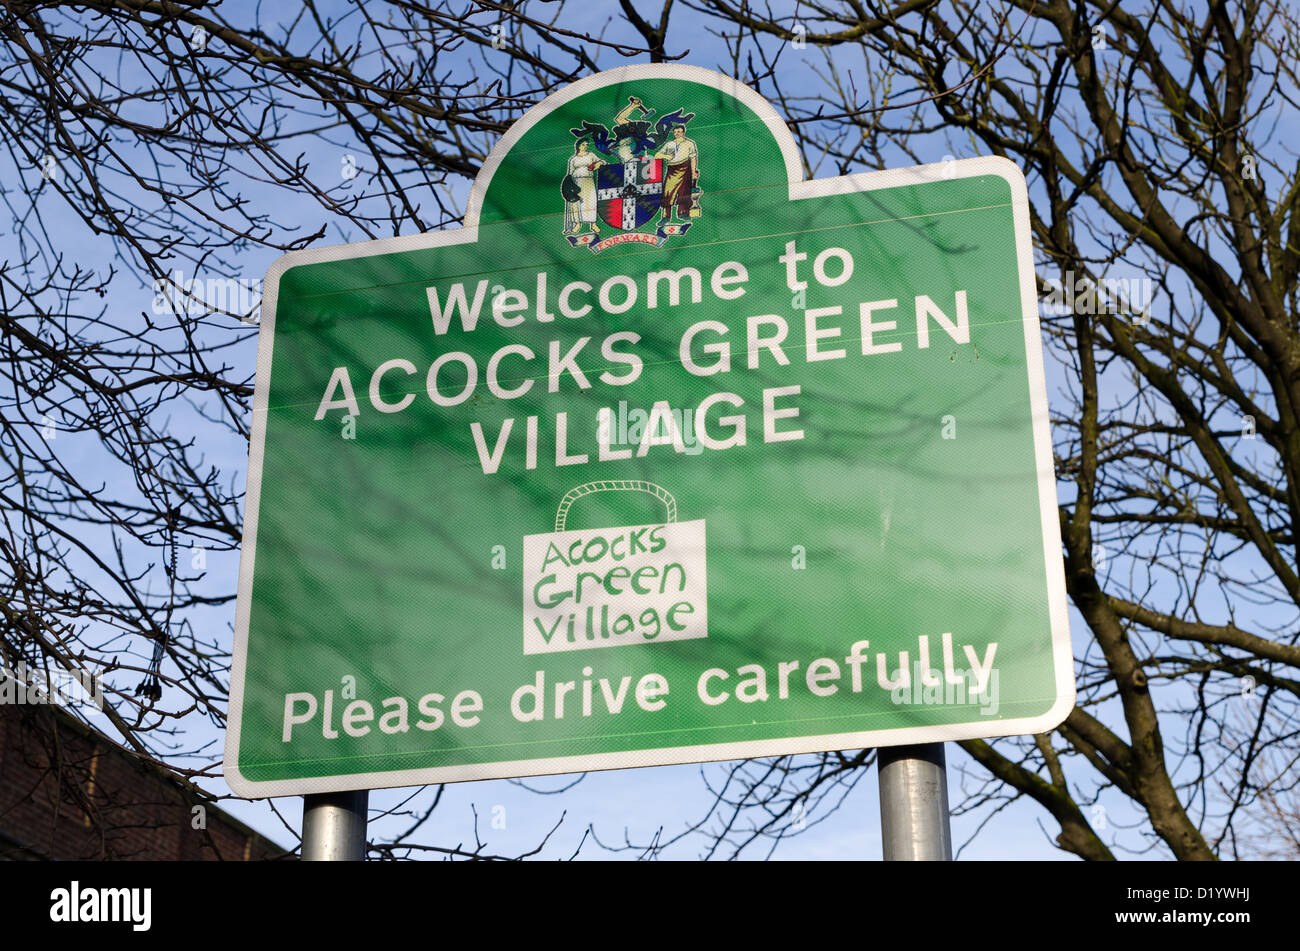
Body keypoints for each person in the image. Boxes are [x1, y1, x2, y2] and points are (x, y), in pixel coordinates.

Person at [655, 125, 698, 223]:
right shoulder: (669, 144)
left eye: (679, 131)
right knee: (667, 193)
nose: (677, 134)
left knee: (684, 191)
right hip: (672, 169)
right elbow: (657, 155)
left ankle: (683, 213)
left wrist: (693, 171)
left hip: (685, 168)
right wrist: (666, 156)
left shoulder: (690, 143)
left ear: (683, 132)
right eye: (675, 132)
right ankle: (666, 217)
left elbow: (693, 158)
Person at [563, 139, 603, 236]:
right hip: (576, 182)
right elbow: (569, 174)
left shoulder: (591, 155)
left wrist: (598, 164)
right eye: (583, 144)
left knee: (591, 202)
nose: (585, 146)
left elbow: (602, 161)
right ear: (578, 146)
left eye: (587, 144)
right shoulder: (573, 159)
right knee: (577, 204)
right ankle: (577, 223)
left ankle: (593, 224)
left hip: (588, 181)